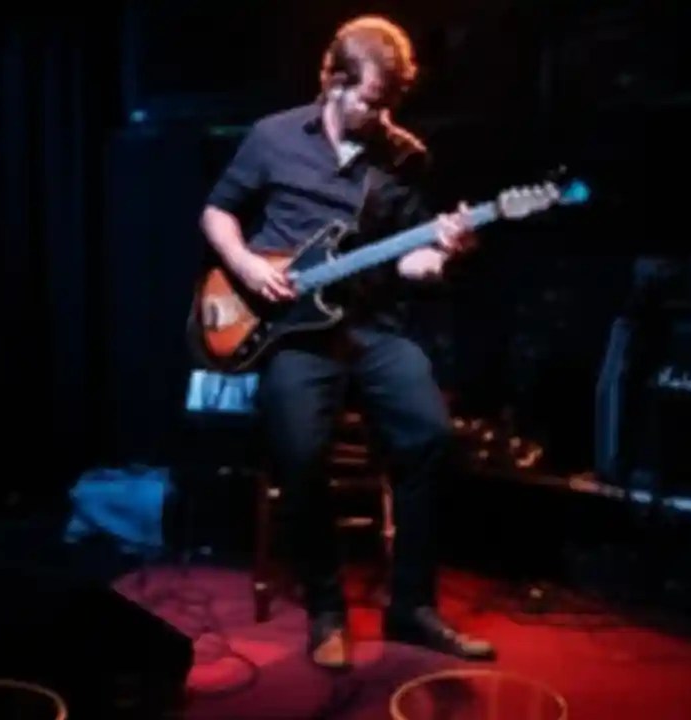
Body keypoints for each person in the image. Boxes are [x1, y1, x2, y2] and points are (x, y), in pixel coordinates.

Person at [198, 15, 496, 669]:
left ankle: (412, 606)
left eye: (390, 104)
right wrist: (247, 265)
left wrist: (446, 251)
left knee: (431, 436)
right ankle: (327, 607)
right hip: (293, 331)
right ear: (333, 81)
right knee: (299, 451)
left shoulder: (405, 157)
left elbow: (414, 263)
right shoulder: (273, 137)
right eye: (370, 101)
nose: (381, 116)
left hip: (372, 325)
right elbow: (216, 210)